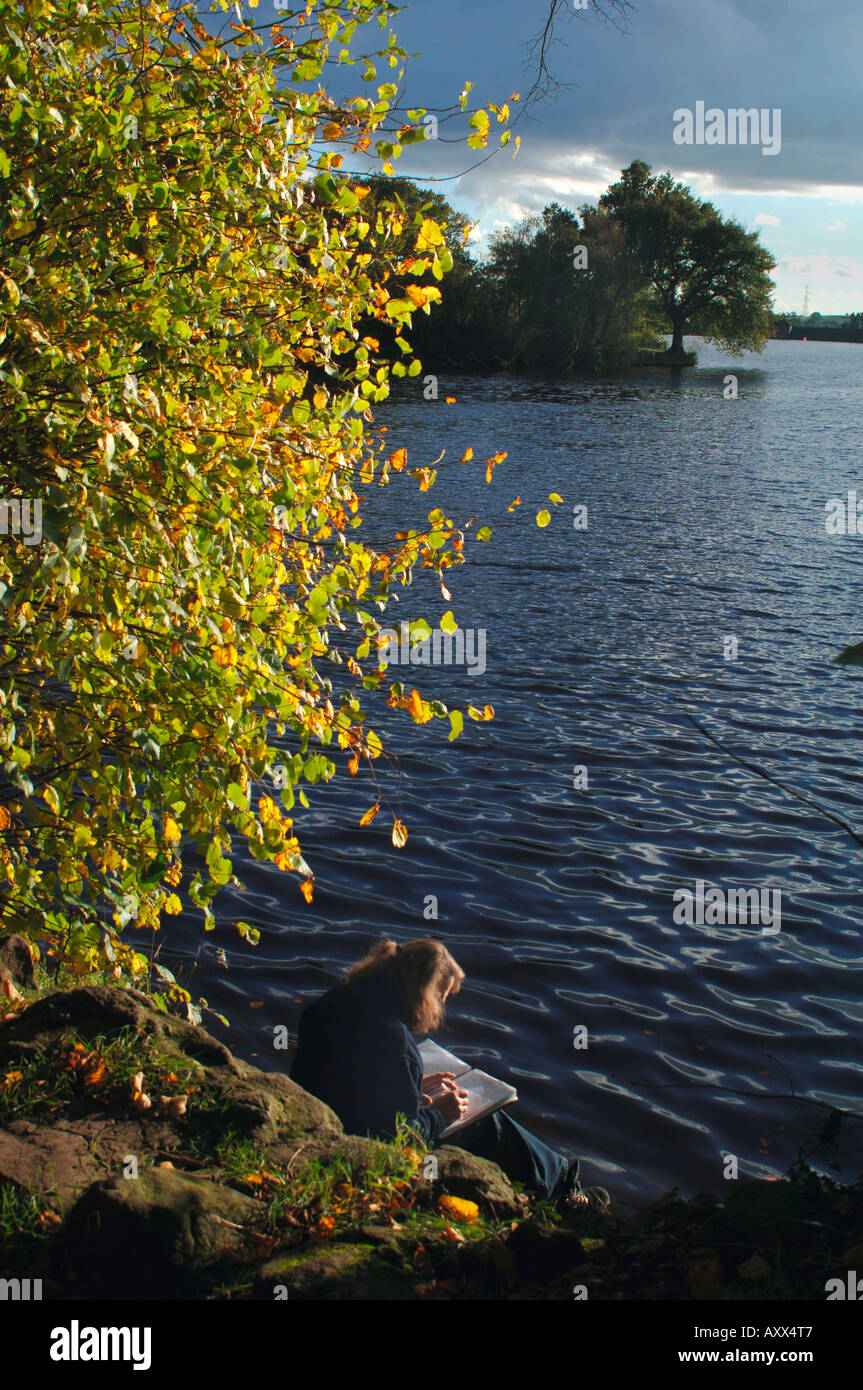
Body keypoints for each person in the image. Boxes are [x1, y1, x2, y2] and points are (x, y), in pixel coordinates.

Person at [291, 938, 609, 1213]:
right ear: (425, 992)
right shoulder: (394, 1038)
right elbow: (394, 1137)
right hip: (355, 1143)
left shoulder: (336, 1001)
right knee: (487, 1121)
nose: (441, 1008)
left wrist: (414, 1086)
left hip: (324, 1118)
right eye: (442, 997)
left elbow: (357, 1082)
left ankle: (559, 1182)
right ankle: (564, 1191)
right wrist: (439, 1115)